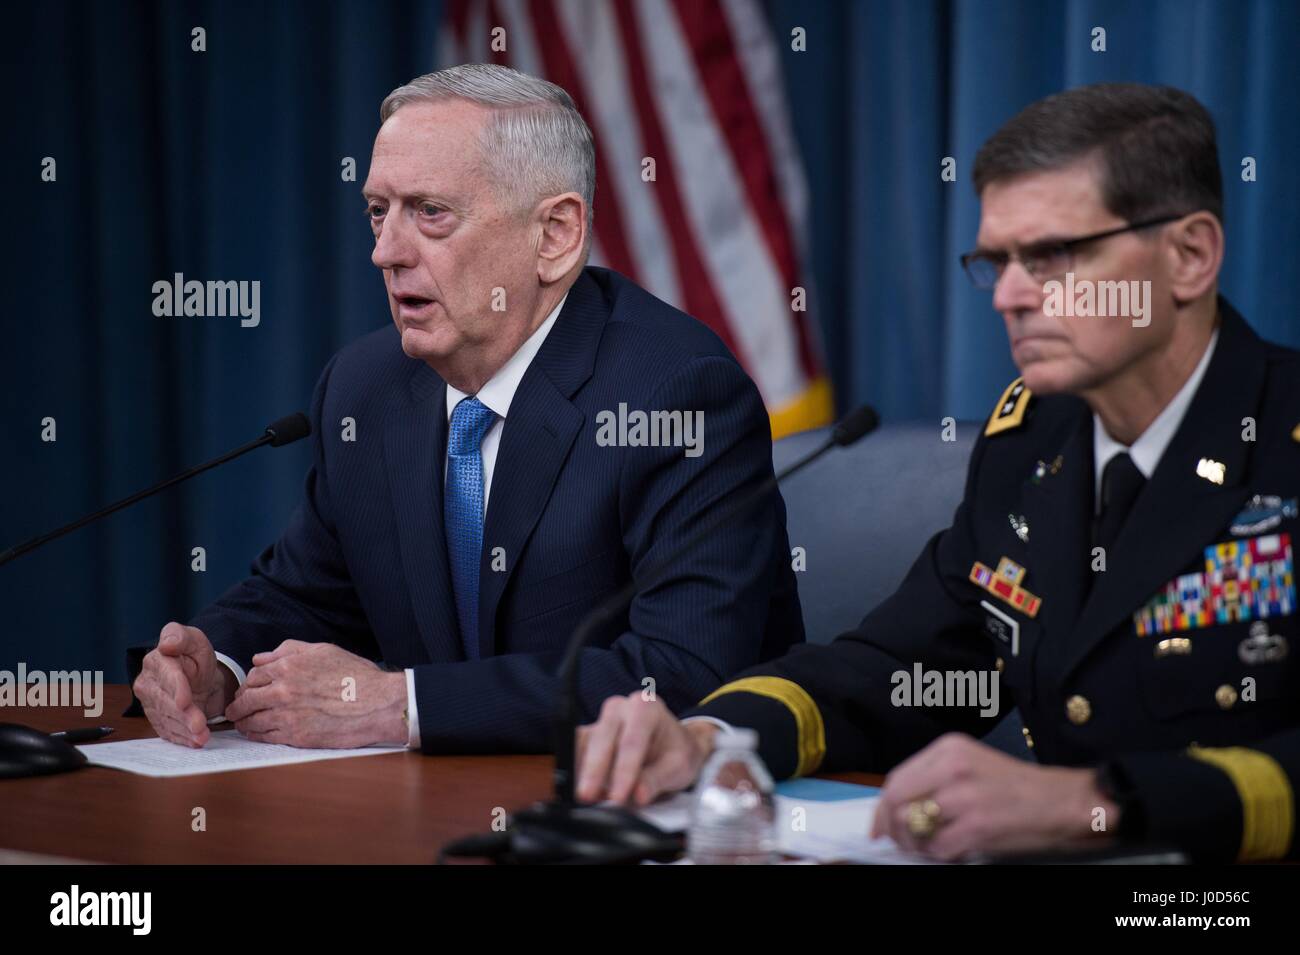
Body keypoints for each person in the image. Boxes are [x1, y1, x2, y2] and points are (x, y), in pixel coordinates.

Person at [576, 83, 1300, 862]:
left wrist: (1097, 802)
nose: (1012, 297)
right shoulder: (1032, 441)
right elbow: (902, 665)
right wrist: (712, 737)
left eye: (1054, 255)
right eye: (998, 261)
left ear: (1189, 255)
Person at [129, 64, 803, 754]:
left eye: (430, 213)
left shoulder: (677, 394)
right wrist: (219, 664)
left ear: (556, 235)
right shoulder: (365, 388)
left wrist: (406, 704)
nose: (384, 252)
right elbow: (311, 594)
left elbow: (685, 672)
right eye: (377, 211)